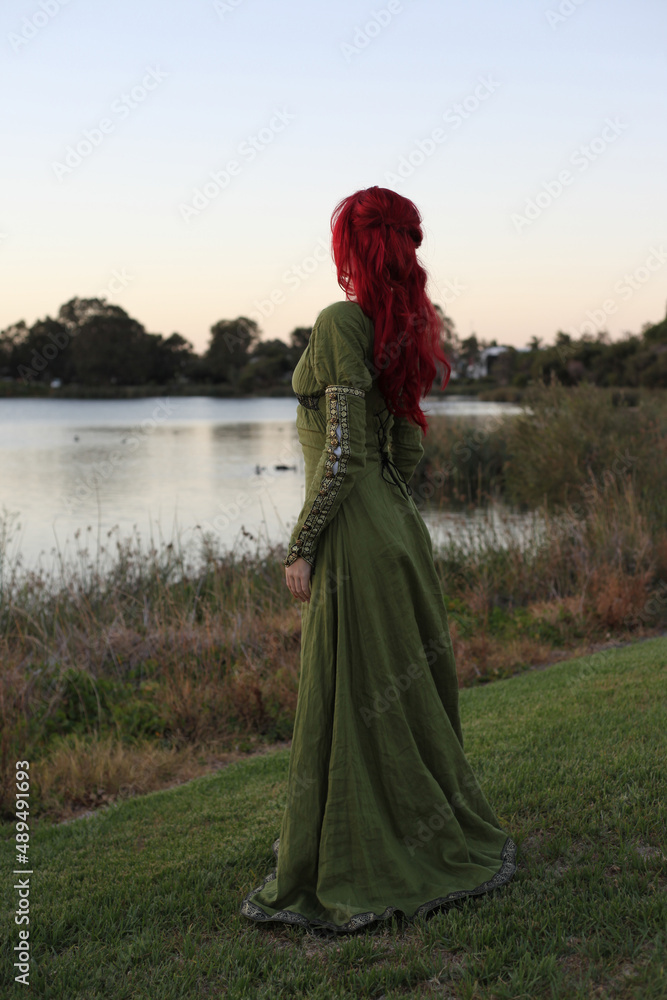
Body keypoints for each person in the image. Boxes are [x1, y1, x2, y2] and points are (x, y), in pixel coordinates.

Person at [240, 185, 517, 934]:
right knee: (393, 693)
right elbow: (403, 447)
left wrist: (300, 545)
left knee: (353, 690)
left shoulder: (339, 322)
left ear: (351, 247)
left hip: (354, 538)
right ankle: (408, 827)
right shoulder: (400, 327)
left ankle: (361, 851)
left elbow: (338, 453)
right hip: (398, 531)